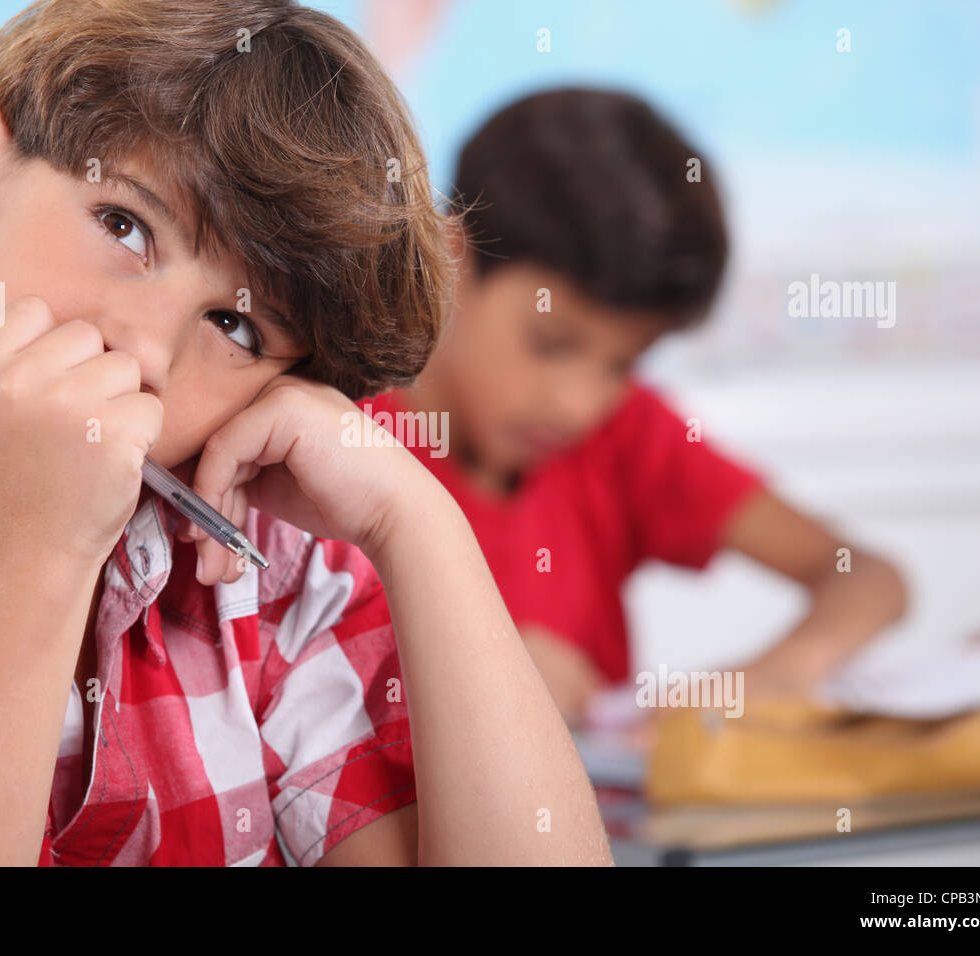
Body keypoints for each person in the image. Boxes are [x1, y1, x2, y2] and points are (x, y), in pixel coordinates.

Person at [0, 1, 611, 866]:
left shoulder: (269, 544)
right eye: (124, 225)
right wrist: (38, 548)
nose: (147, 350)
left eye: (236, 329)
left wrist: (416, 525)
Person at [363, 88, 908, 725]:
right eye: (552, 343)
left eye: (624, 362)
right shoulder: (337, 448)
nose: (578, 404)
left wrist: (779, 673)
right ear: (451, 255)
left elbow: (869, 576)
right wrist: (468, 668)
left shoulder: (624, 432)